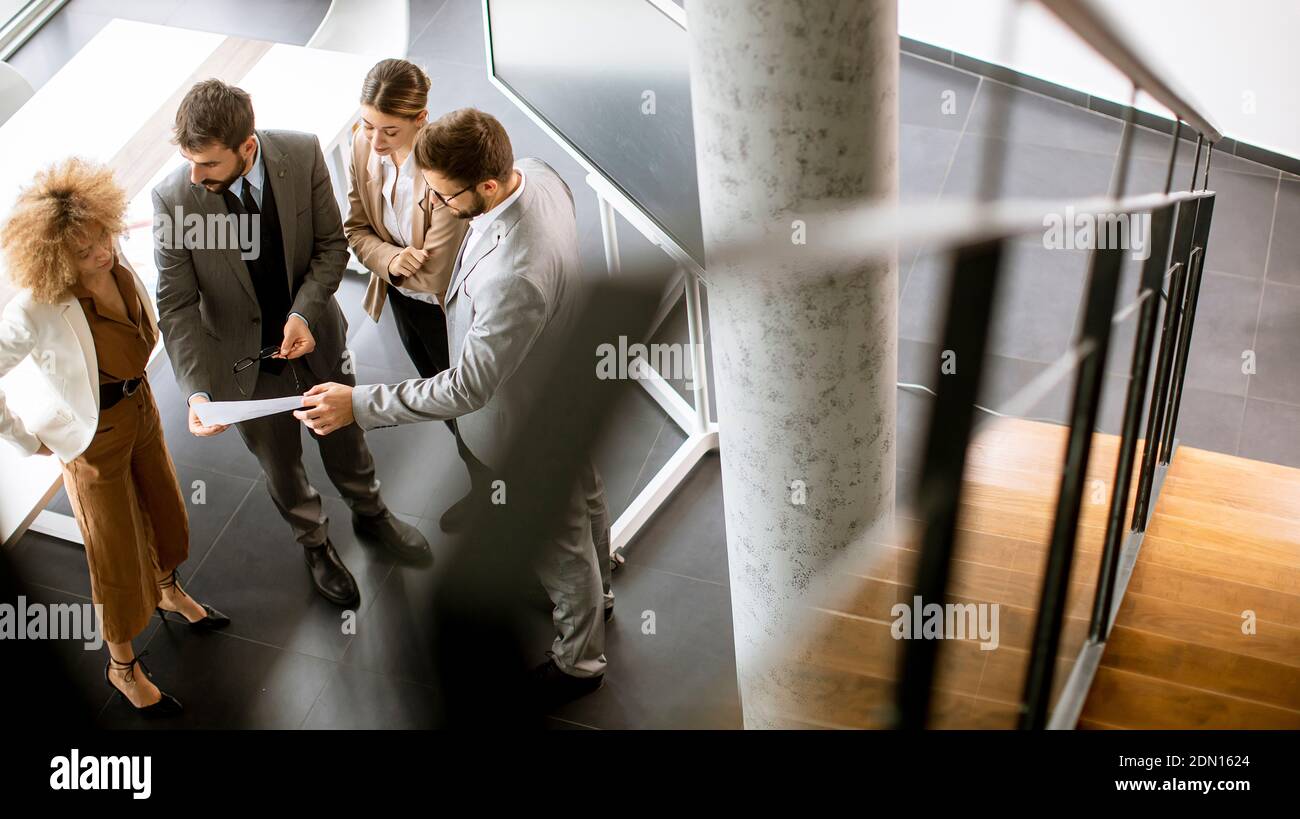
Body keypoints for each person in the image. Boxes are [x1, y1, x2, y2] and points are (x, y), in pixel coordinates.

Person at [296, 108, 614, 708]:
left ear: (488, 185)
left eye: (445, 195)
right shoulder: (540, 173)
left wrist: (357, 404)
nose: (437, 206)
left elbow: (468, 388)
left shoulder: (513, 278)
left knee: (559, 539)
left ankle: (580, 661)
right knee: (588, 494)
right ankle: (603, 594)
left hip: (530, 418)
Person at [152, 80, 431, 610]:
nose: (195, 175)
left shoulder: (301, 153)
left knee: (345, 437)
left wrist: (303, 311)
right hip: (240, 363)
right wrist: (196, 393)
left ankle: (371, 512)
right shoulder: (174, 199)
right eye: (189, 161)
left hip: (319, 336)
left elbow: (331, 246)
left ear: (247, 148)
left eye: (208, 163)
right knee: (280, 463)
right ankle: (316, 544)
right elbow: (177, 306)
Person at [0, 158, 229, 717]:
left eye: (102, 235)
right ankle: (122, 664)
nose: (101, 251)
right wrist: (25, 440)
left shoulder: (117, 261)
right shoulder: (36, 305)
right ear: (56, 256)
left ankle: (169, 588)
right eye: (83, 251)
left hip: (141, 405)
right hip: (92, 436)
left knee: (165, 506)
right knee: (114, 549)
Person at [343, 58, 484, 531]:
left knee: (477, 407)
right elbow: (356, 230)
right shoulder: (361, 147)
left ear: (420, 119)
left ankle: (506, 499)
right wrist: (389, 259)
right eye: (367, 125)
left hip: (451, 309)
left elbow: (437, 272)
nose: (375, 142)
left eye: (388, 130)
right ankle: (486, 489)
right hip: (406, 307)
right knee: (446, 408)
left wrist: (384, 261)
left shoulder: (443, 166)